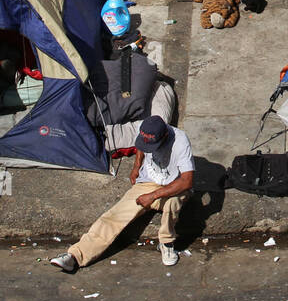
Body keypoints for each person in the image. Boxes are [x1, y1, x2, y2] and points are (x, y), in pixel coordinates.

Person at [49, 116, 194, 273]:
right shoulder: (145, 128)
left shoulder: (180, 140)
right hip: (147, 183)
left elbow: (186, 181)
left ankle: (166, 244)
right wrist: (136, 166)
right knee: (113, 217)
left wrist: (153, 196)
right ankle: (75, 256)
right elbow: (141, 146)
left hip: (172, 185)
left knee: (172, 203)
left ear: (164, 135)